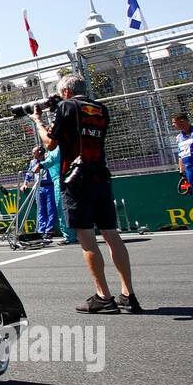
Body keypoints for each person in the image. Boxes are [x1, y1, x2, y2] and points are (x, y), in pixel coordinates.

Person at [32, 75, 140, 314]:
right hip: (100, 175)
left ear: (66, 92)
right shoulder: (101, 109)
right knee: (111, 234)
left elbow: (50, 143)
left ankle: (103, 297)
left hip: (76, 178)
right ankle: (128, 294)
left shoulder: (67, 106)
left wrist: (38, 121)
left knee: (87, 238)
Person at [20, 145, 57, 237]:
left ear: (40, 152)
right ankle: (41, 230)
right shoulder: (33, 162)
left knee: (50, 209)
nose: (33, 154)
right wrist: (25, 184)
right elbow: (29, 173)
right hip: (39, 187)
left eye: (34, 152)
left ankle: (49, 230)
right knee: (40, 210)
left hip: (49, 187)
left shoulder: (47, 159)